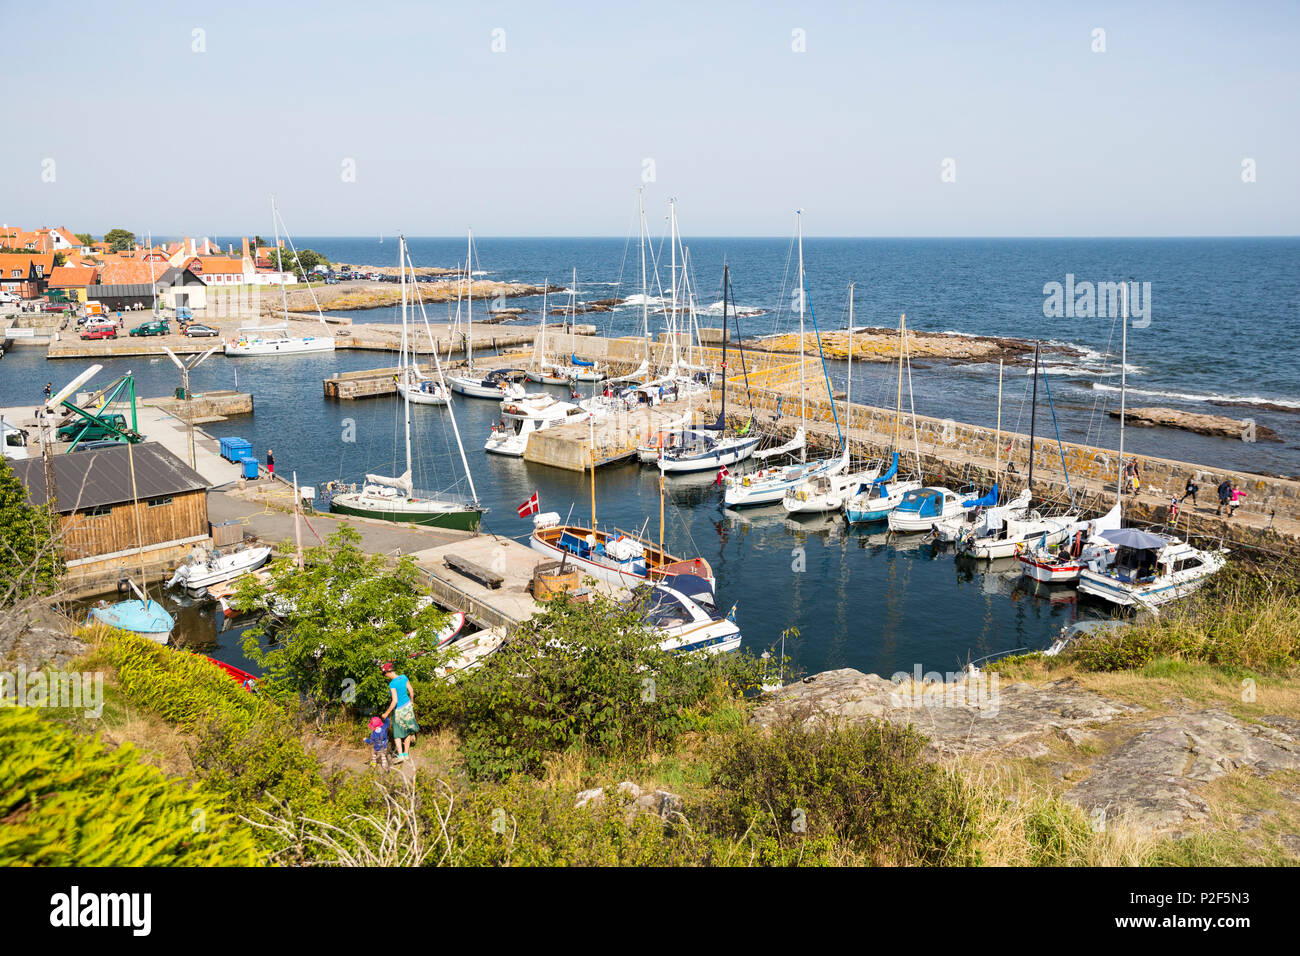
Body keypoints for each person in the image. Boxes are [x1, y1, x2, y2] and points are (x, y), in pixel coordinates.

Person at [381, 662, 418, 763]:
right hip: (408, 707)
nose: (385, 676)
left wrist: (386, 713)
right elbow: (411, 690)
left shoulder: (392, 684)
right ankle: (406, 754)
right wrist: (412, 701)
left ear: (388, 672)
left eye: (384, 674)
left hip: (399, 710)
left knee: (397, 734)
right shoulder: (404, 677)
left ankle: (400, 755)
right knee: (407, 731)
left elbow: (395, 701)